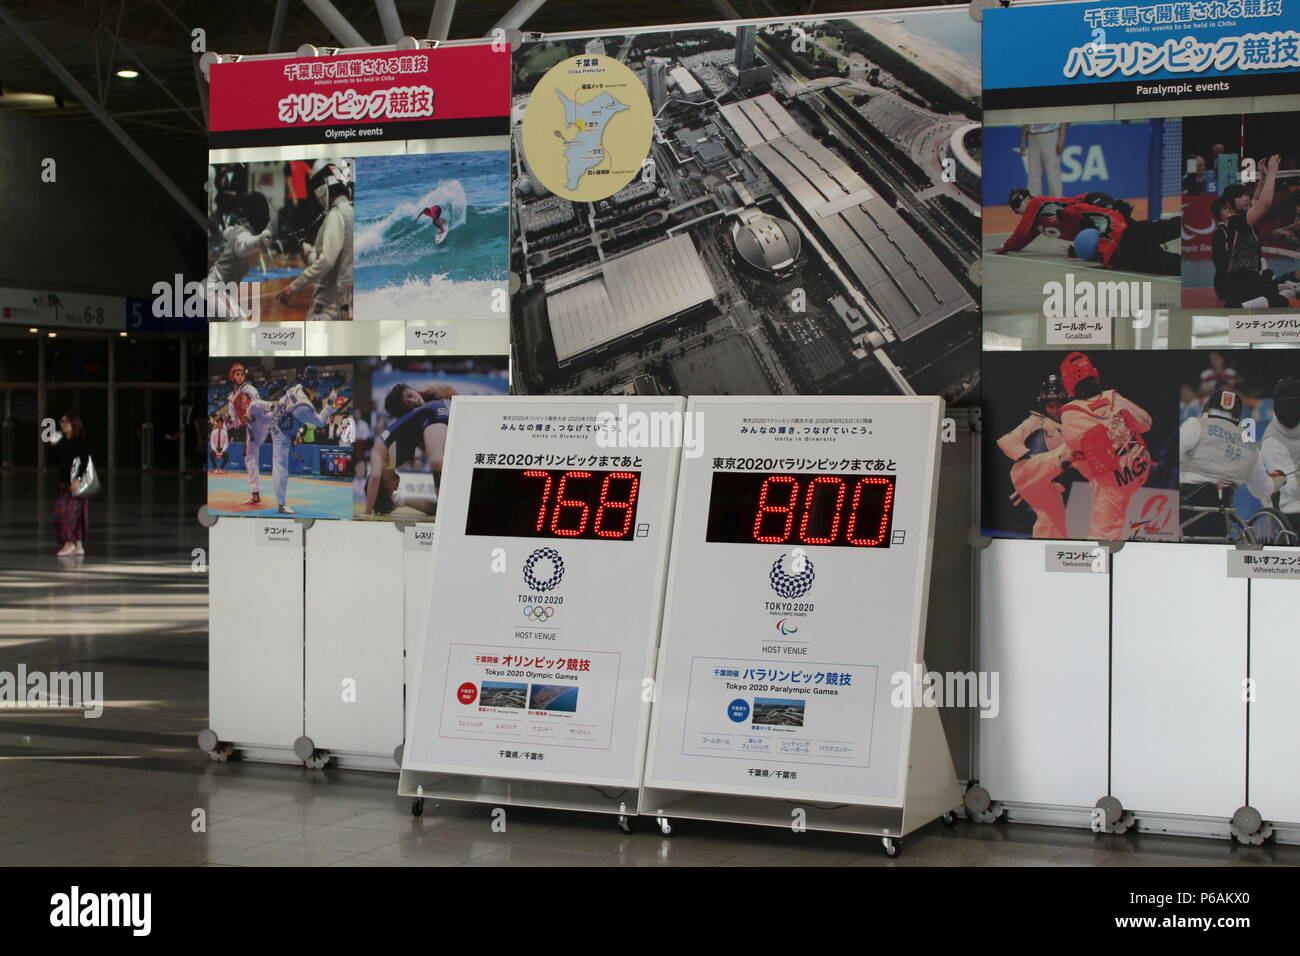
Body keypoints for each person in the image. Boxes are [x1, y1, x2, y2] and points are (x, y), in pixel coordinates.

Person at [1058, 352, 1154, 540]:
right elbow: (1147, 423)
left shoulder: (1071, 413)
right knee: (1073, 453)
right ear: (1095, 374)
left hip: (1114, 478)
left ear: (1068, 385)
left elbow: (1074, 444)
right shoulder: (1114, 398)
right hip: (1141, 463)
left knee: (1102, 536)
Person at [1179, 387, 1282, 540]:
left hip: (1182, 511)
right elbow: (1262, 490)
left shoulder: (1196, 424)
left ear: (1208, 408)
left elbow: (1173, 457)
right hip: (1220, 518)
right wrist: (1279, 478)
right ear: (1238, 416)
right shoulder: (1250, 445)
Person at [996, 188, 1180, 275]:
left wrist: (1004, 247)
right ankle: (1153, 242)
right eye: (1016, 208)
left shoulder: (1037, 203)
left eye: (1018, 204)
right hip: (1086, 224)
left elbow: (1020, 233)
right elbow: (1023, 238)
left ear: (1026, 198)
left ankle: (1154, 237)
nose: (1019, 210)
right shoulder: (1036, 225)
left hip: (1092, 201)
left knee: (1120, 226)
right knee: (1119, 233)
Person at [1211, 156, 1299, 307]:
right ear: (1229, 204)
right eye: (1240, 196)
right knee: (1286, 297)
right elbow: (1264, 204)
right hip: (1241, 284)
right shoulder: (1235, 221)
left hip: (1251, 281)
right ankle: (1240, 307)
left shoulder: (1244, 217)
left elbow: (1257, 200)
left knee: (1291, 289)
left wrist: (1263, 176)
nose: (1245, 197)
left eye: (1245, 194)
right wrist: (1272, 174)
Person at [996, 374, 1074, 539]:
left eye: (1058, 405)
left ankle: (1049, 547)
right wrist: (1029, 460)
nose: (1054, 410)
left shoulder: (1071, 425)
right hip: (1028, 471)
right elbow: (1006, 442)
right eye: (1050, 406)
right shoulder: (1036, 421)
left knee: (1054, 518)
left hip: (1049, 480)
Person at [363, 383, 458, 516]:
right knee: (443, 507)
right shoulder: (394, 461)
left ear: (382, 486)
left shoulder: (377, 454)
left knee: (436, 461)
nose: (396, 488)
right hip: (434, 416)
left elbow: (374, 478)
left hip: (432, 412)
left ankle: (470, 471)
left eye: (392, 491)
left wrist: (367, 513)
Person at [278, 163, 353, 320]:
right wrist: (310, 253)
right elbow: (340, 257)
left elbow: (327, 261)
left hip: (329, 302)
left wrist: (292, 288)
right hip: (348, 298)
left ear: (323, 191)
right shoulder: (352, 212)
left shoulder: (336, 215)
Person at [270, 366, 338, 515]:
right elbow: (320, 422)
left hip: (276, 422)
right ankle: (281, 505)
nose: (317, 393)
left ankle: (281, 503)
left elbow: (282, 401)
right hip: (282, 433)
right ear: (312, 388)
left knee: (279, 466)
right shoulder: (304, 406)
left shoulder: (297, 387)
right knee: (281, 468)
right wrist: (331, 403)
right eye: (316, 389)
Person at [206, 191, 272, 320]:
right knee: (241, 326)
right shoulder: (243, 235)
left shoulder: (238, 229)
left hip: (220, 291)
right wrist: (259, 240)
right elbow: (244, 244)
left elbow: (228, 234)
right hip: (215, 290)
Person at [225, 362, 272, 506]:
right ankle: (255, 493)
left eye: (242, 374)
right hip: (250, 428)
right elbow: (236, 421)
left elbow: (257, 404)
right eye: (237, 374)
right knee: (249, 459)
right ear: (232, 377)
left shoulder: (249, 388)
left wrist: (254, 415)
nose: (240, 377)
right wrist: (228, 422)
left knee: (254, 406)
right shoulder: (231, 398)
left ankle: (277, 409)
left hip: (261, 419)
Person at [50, 413, 90, 556]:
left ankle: (68, 544)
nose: (62, 424)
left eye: (66, 421)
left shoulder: (80, 441)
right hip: (64, 483)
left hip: (75, 484)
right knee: (75, 515)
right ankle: (78, 544)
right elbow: (58, 460)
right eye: (61, 421)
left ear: (74, 424)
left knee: (65, 514)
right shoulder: (63, 441)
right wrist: (54, 445)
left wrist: (78, 478)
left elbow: (84, 461)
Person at [1019, 122, 1068, 198]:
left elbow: (1062, 116)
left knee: (1053, 173)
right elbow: (1026, 120)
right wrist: (1023, 141)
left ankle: (1057, 201)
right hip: (1032, 136)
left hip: (1050, 134)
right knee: (1033, 174)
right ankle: (1034, 202)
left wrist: (1061, 139)